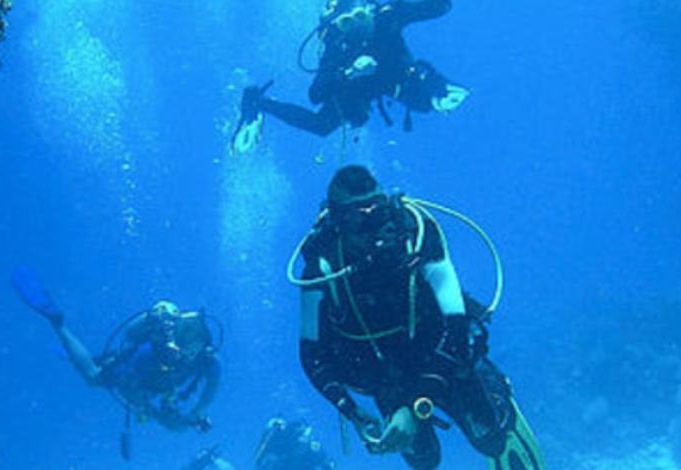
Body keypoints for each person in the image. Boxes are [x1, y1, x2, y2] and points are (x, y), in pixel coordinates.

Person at [287, 166, 544, 470]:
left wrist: (418, 404)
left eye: (378, 213)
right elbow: (312, 356)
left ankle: (491, 384)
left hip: (440, 349)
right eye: (360, 218)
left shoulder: (418, 235)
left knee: (491, 438)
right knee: (425, 460)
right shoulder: (321, 266)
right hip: (386, 375)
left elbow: (456, 326)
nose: (373, 229)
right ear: (340, 221)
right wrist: (353, 412)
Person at [12, 269, 221, 457]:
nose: (188, 348)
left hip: (153, 383)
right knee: (93, 376)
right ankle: (58, 324)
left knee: (176, 426)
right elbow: (127, 383)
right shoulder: (152, 354)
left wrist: (195, 414)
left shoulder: (208, 361)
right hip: (134, 374)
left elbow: (210, 386)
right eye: (187, 338)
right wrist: (148, 408)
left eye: (196, 341)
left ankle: (67, 334)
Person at [232, 0, 470, 152]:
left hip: (393, 77)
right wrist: (348, 73)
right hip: (358, 89)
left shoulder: (388, 16)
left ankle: (437, 86)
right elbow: (316, 95)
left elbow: (441, 6)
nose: (355, 24)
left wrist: (400, 6)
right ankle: (257, 103)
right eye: (346, 20)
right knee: (322, 125)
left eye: (360, 13)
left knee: (423, 100)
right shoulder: (336, 46)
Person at [254, 417, 336, 470]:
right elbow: (263, 454)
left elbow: (325, 462)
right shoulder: (283, 447)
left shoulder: (313, 452)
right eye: (301, 441)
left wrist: (329, 465)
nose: (303, 443)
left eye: (306, 440)